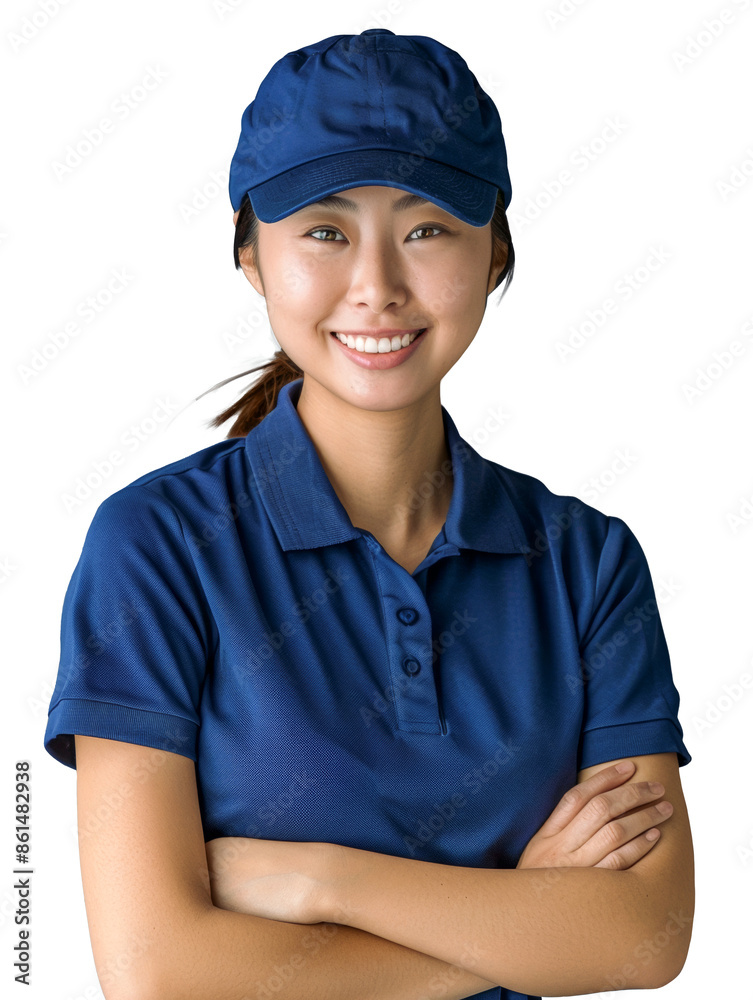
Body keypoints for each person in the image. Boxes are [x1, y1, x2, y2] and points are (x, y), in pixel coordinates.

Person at [43, 28, 694, 999]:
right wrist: (523, 916)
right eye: (325, 229)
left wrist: (314, 881)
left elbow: (646, 939)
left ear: (496, 249)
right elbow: (157, 968)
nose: (378, 286)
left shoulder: (589, 564)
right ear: (251, 255)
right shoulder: (157, 549)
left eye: (428, 226)